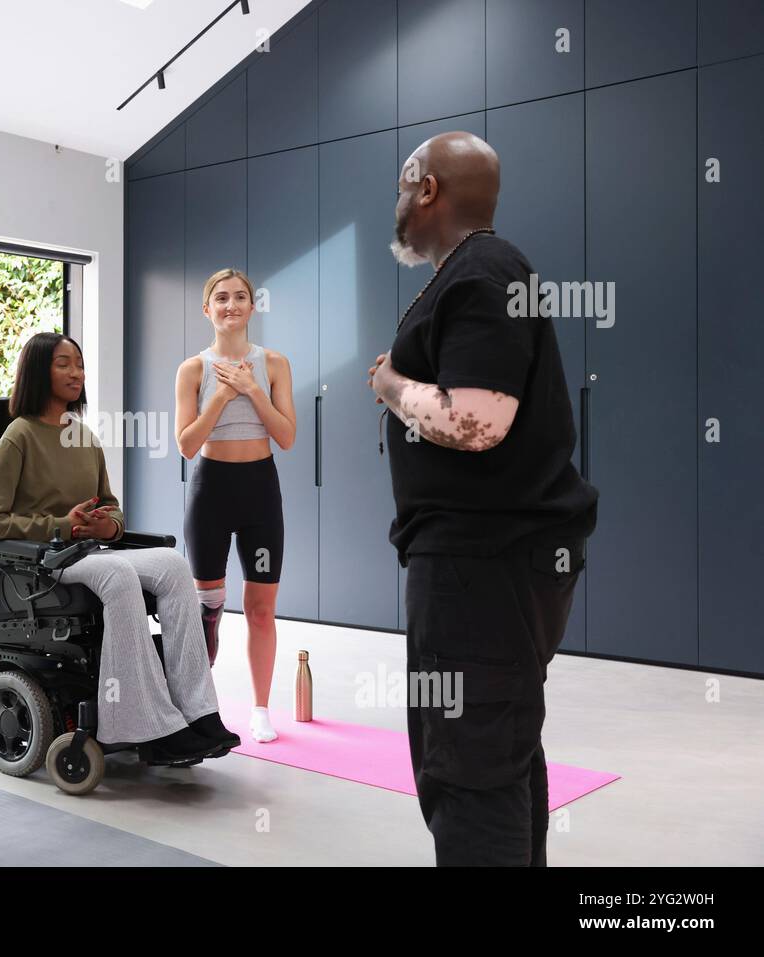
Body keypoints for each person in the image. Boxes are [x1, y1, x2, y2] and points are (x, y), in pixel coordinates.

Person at [370, 131, 599, 866]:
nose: (397, 204)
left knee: (466, 766)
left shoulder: (483, 269)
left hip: (479, 566)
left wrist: (392, 385)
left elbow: (477, 422)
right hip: (494, 565)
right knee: (498, 751)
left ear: (427, 188)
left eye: (403, 188)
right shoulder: (482, 271)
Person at [0, 332, 240, 762]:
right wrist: (65, 526)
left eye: (79, 364)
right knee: (117, 575)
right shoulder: (17, 436)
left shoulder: (84, 437)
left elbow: (112, 508)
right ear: (38, 371)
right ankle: (145, 727)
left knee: (172, 565)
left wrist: (106, 524)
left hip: (89, 554)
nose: (76, 372)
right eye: (64, 363)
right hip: (43, 564)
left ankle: (198, 712)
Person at [174, 268, 295, 743]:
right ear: (208, 309)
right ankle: (201, 709)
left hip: (260, 488)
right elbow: (186, 444)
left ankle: (261, 709)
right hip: (211, 490)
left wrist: (252, 390)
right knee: (209, 607)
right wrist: (223, 394)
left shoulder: (275, 364)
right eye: (220, 298)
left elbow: (285, 436)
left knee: (262, 607)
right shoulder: (193, 369)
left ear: (252, 306)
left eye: (240, 297)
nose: (231, 305)